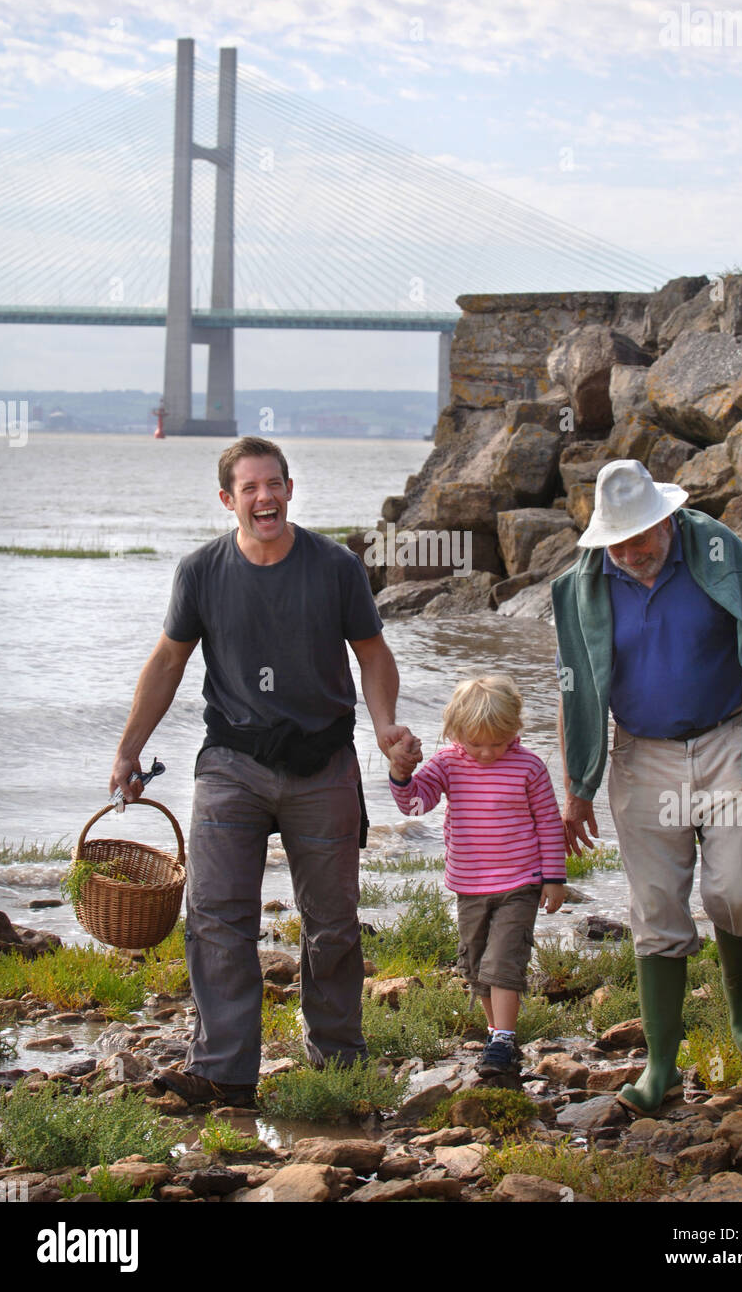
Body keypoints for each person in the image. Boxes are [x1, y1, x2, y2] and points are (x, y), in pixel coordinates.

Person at [109, 436, 421, 1107]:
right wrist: (129, 748)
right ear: (228, 500)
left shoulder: (335, 566)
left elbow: (372, 654)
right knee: (216, 917)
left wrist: (386, 724)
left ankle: (338, 1063)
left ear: (288, 490)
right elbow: (168, 663)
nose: (264, 497)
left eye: (273, 483)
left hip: (323, 761)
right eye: (249, 488)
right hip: (231, 762)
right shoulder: (201, 571)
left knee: (333, 923)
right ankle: (225, 1071)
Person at [551, 458, 742, 1114]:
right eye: (616, 541)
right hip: (641, 754)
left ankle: (741, 995)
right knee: (654, 911)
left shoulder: (715, 550)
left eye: (640, 535)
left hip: (727, 739)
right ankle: (661, 1065)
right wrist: (575, 787)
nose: (630, 551)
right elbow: (573, 688)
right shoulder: (581, 587)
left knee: (734, 892)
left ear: (665, 519)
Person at [388, 675, 566, 1077]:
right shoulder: (448, 762)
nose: (486, 753)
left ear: (515, 731)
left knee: (503, 961)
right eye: (476, 743)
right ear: (456, 733)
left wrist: (554, 878)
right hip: (469, 884)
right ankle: (494, 1033)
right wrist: (401, 773)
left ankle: (505, 1039)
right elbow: (416, 806)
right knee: (477, 965)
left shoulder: (529, 767)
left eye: (497, 743)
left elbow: (549, 825)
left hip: (520, 882)